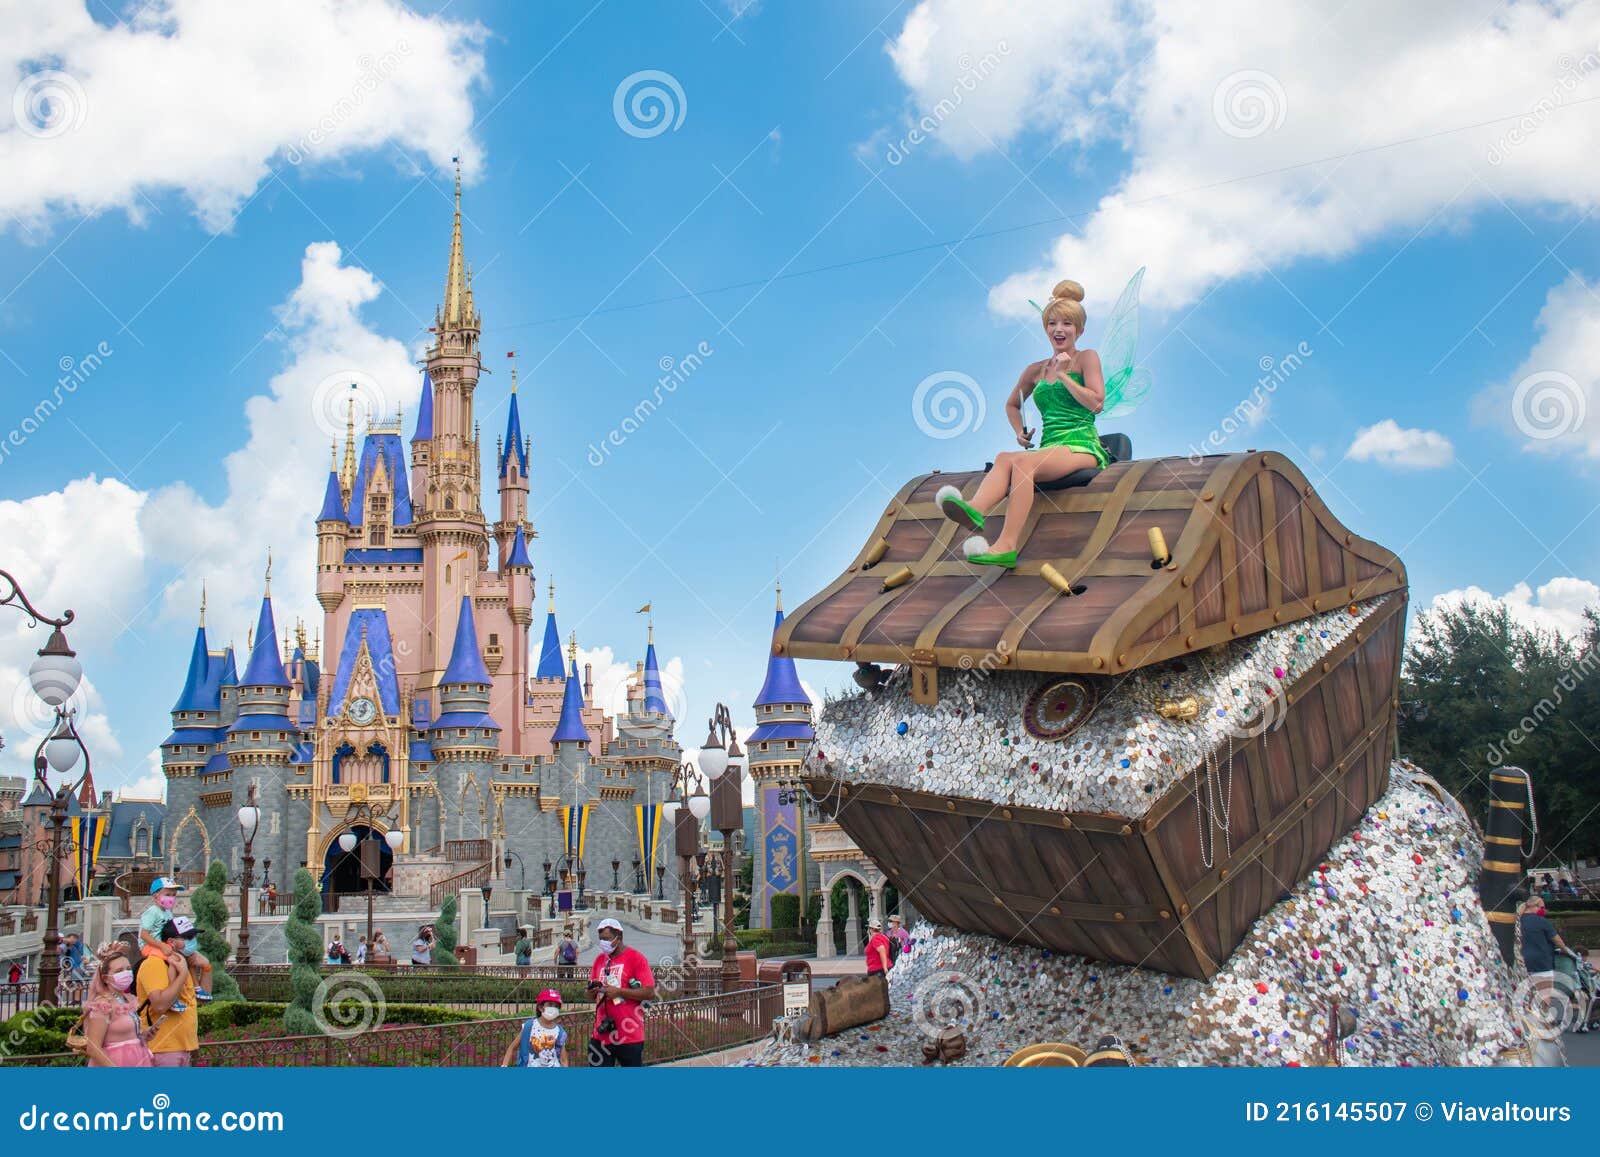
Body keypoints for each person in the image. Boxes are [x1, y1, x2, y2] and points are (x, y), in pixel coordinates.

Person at [935, 273, 1150, 568]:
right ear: (1045, 328)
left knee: (1023, 464)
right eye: (1052, 323)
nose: (1058, 329)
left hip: (1081, 445)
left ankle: (1006, 546)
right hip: (1049, 446)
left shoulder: (1087, 358)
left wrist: (1063, 374)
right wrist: (1019, 432)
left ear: (1079, 329)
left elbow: (1096, 403)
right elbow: (1012, 404)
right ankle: (975, 509)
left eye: (1066, 323)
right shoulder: (1035, 370)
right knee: (1005, 456)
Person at [586, 918, 656, 1067]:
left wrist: (619, 992)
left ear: (618, 938)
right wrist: (592, 990)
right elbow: (590, 996)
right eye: (601, 939)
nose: (603, 942)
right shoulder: (599, 960)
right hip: (602, 1034)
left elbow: (649, 992)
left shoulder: (636, 958)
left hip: (629, 1034)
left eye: (607, 939)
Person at [135, 917, 199, 1067]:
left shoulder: (179, 962)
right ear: (171, 942)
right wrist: (182, 973)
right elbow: (160, 1005)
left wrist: (206, 968)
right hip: (163, 1047)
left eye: (194, 937)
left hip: (183, 1046)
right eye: (188, 937)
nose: (193, 941)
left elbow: (201, 996)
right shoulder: (154, 964)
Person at [1520, 897, 1574, 1067]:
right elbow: (1557, 940)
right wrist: (1566, 951)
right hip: (1542, 964)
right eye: (1542, 907)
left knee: (1526, 997)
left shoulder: (1518, 921)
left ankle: (1527, 1028)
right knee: (1545, 998)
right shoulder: (1541, 922)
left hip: (1523, 965)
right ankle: (1543, 1029)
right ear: (1534, 906)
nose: (1544, 909)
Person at [80, 942, 154, 1067]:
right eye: (119, 971)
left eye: (128, 969)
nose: (126, 973)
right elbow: (93, 1048)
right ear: (105, 978)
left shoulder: (127, 1000)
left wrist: (144, 1036)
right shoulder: (103, 1004)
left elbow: (127, 1037)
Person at [139, 877, 212, 1003]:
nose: (171, 898)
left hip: (164, 944)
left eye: (173, 895)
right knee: (174, 959)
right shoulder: (152, 912)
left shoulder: (167, 912)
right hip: (149, 945)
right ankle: (172, 993)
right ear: (156, 896)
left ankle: (196, 986)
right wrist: (162, 946)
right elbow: (144, 935)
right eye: (167, 894)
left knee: (187, 955)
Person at [502, 989, 568, 1067]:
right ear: (540, 1008)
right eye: (550, 1004)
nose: (553, 1008)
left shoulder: (560, 1032)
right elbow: (512, 1048)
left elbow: (563, 1060)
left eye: (556, 1006)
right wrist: (504, 1065)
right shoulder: (529, 1026)